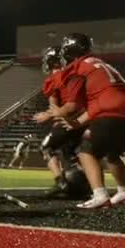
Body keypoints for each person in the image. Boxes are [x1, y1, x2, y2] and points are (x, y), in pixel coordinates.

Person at [34, 32, 125, 209]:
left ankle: (100, 195)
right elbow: (99, 103)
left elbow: (72, 106)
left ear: (69, 50)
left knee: (86, 150)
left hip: (112, 112)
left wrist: (54, 113)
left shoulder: (78, 68)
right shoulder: (102, 64)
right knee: (112, 154)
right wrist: (77, 123)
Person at [37, 45, 85, 199]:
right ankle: (84, 186)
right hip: (84, 118)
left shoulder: (53, 79)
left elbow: (54, 106)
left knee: (46, 148)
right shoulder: (75, 73)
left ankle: (61, 182)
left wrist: (48, 115)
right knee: (71, 154)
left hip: (68, 118)